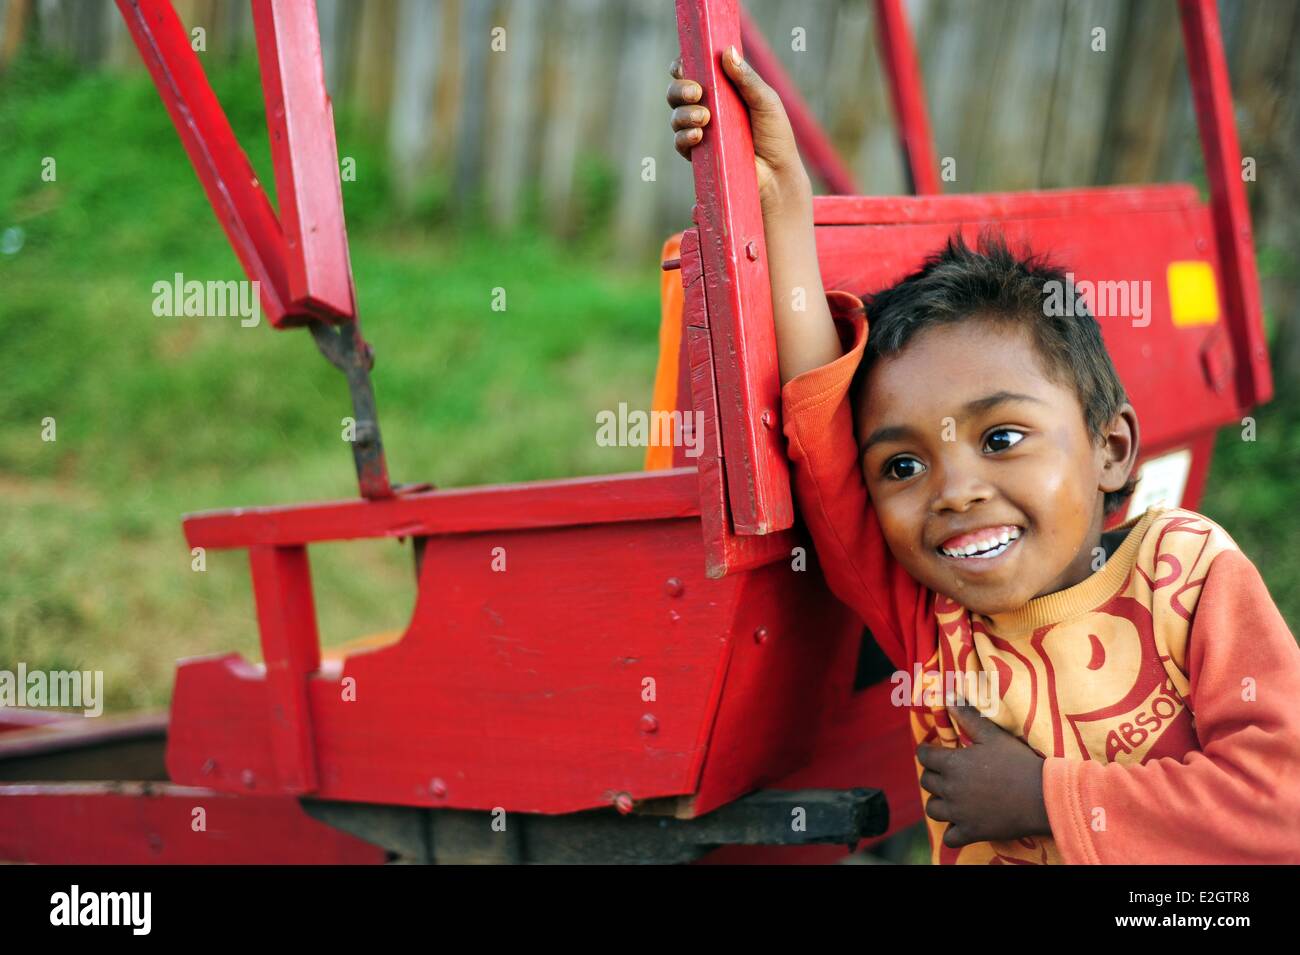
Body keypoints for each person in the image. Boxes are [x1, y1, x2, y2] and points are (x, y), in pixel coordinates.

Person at [667, 46, 1300, 864]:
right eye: (903, 465)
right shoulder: (935, 623)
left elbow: (1282, 805)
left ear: (1111, 448)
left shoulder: (1189, 575)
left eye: (1001, 438)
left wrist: (1043, 795)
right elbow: (824, 448)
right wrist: (781, 203)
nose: (956, 489)